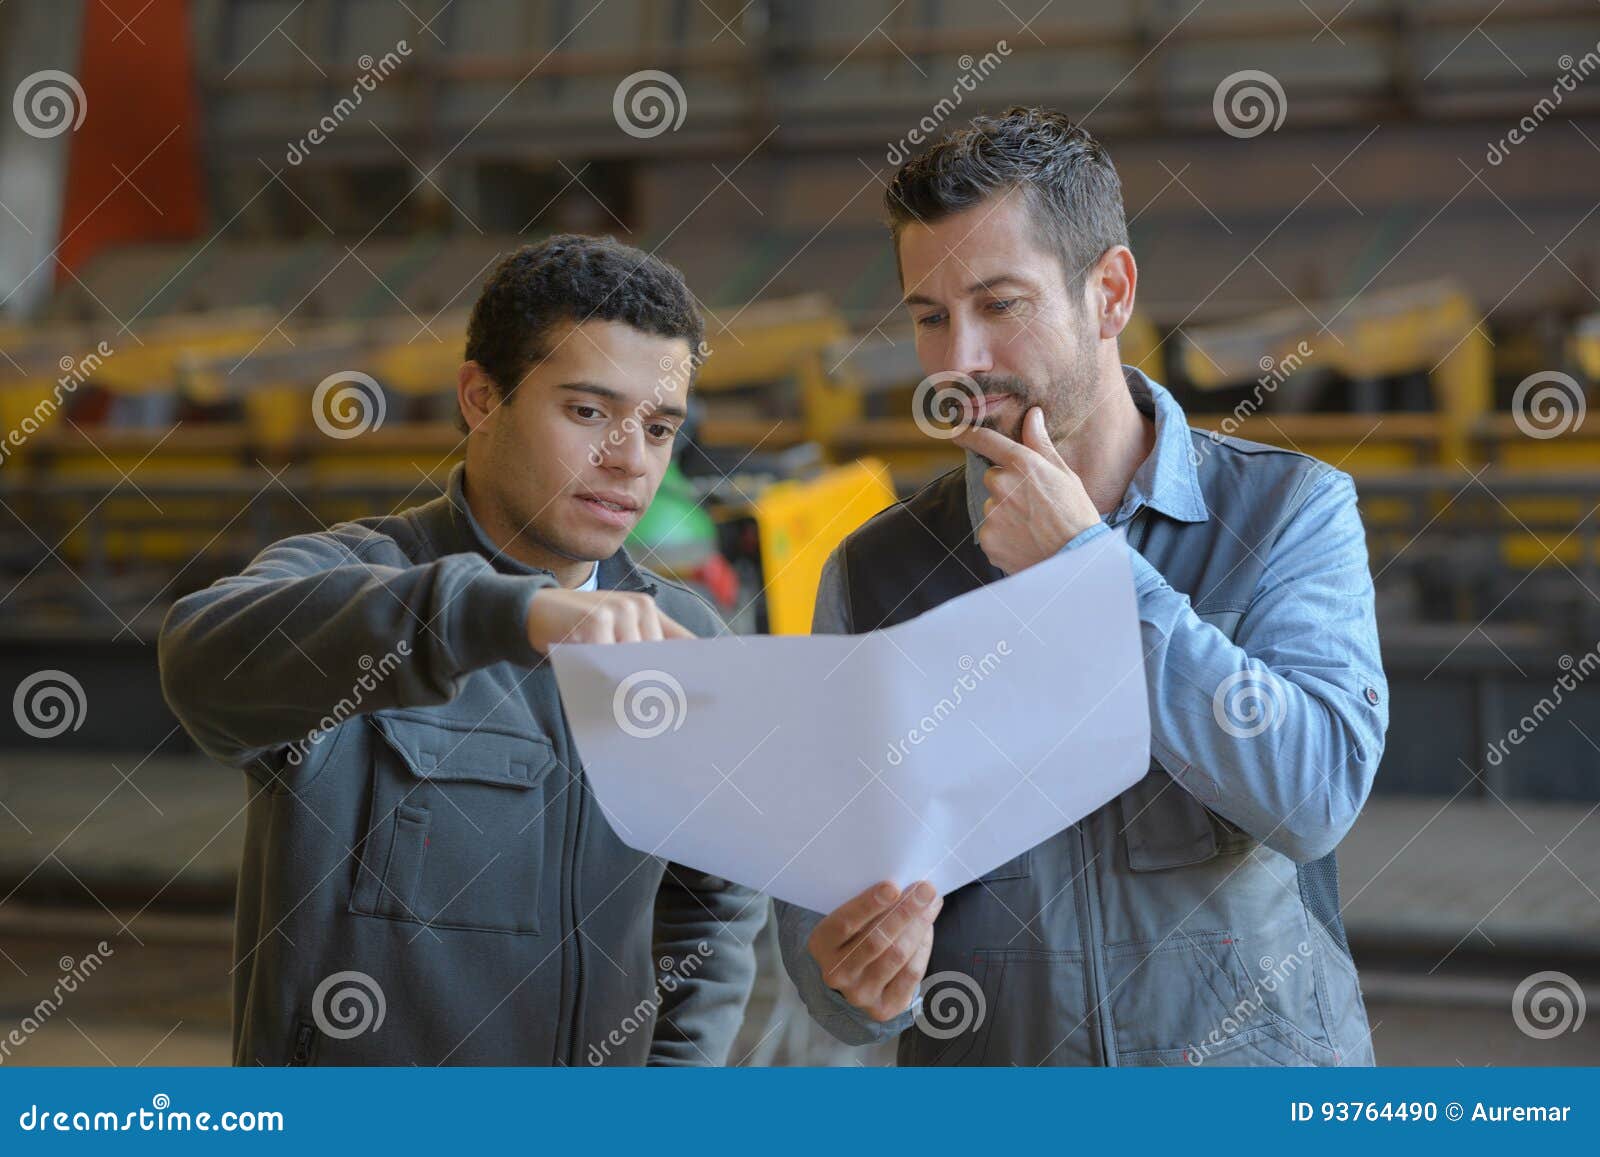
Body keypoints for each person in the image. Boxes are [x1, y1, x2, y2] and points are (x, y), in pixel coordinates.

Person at [775, 107, 1389, 1066]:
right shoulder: (876, 574)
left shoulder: (1285, 513)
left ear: (1109, 293)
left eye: (999, 305)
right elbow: (824, 942)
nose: (957, 361)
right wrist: (858, 981)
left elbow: (1312, 795)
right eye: (930, 317)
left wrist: (1086, 574)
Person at [160, 235, 761, 1065]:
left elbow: (717, 896)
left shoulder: (681, 635)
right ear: (481, 398)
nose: (630, 460)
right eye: (589, 413)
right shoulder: (352, 578)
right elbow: (201, 662)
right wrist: (502, 615)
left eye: (658, 428)